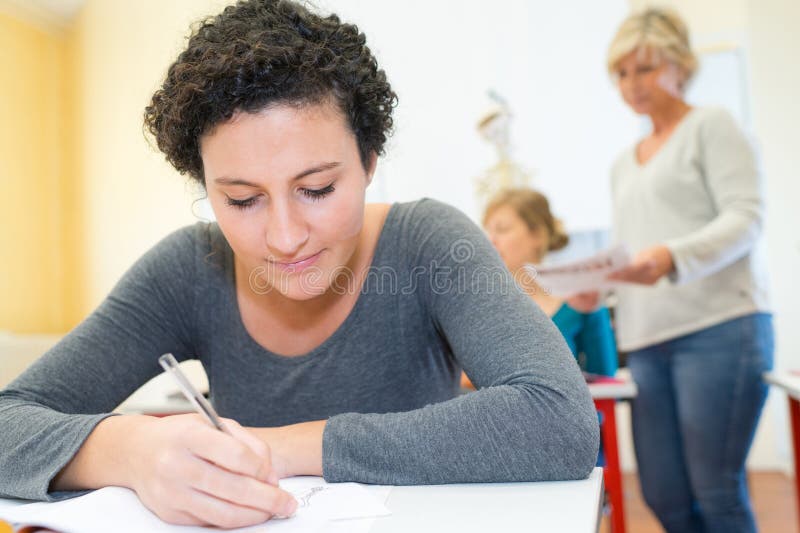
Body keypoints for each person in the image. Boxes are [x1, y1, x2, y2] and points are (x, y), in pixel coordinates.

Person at [0, 0, 599, 529]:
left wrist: (274, 449)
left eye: (316, 188)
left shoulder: (428, 243)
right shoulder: (188, 269)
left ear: (367, 161)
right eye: (241, 200)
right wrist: (128, 448)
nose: (285, 237)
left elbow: (560, 420)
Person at [604, 8, 773, 533]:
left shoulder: (711, 126)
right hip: (649, 342)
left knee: (716, 491)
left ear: (680, 66)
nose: (633, 85)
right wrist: (599, 288)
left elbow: (745, 219)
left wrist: (671, 255)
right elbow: (632, 253)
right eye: (623, 73)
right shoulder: (623, 162)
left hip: (720, 329)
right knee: (664, 494)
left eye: (646, 69)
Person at [482, 188, 618, 377]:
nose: (491, 240)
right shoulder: (484, 308)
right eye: (487, 231)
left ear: (537, 235)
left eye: (502, 229)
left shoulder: (584, 302)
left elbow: (606, 382)